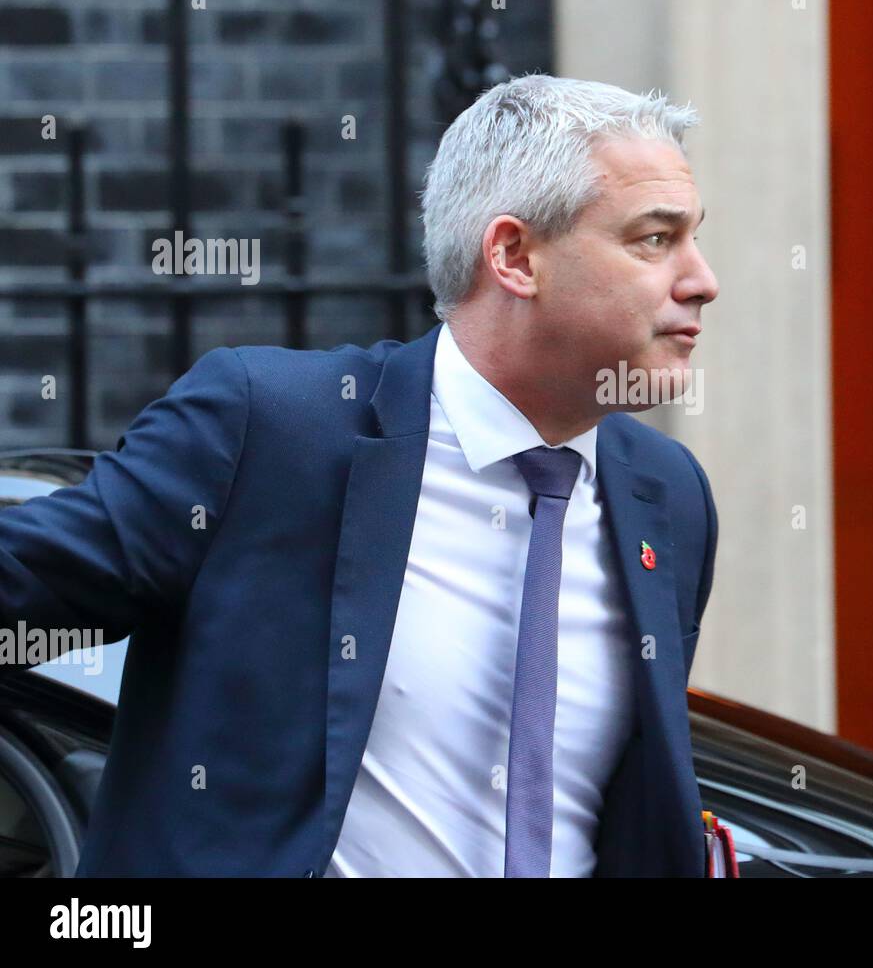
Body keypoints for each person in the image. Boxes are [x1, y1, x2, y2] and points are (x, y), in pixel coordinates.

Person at [0, 74, 721, 877]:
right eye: (655, 239)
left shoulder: (668, 494)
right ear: (514, 256)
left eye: (692, 237)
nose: (701, 279)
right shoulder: (272, 429)